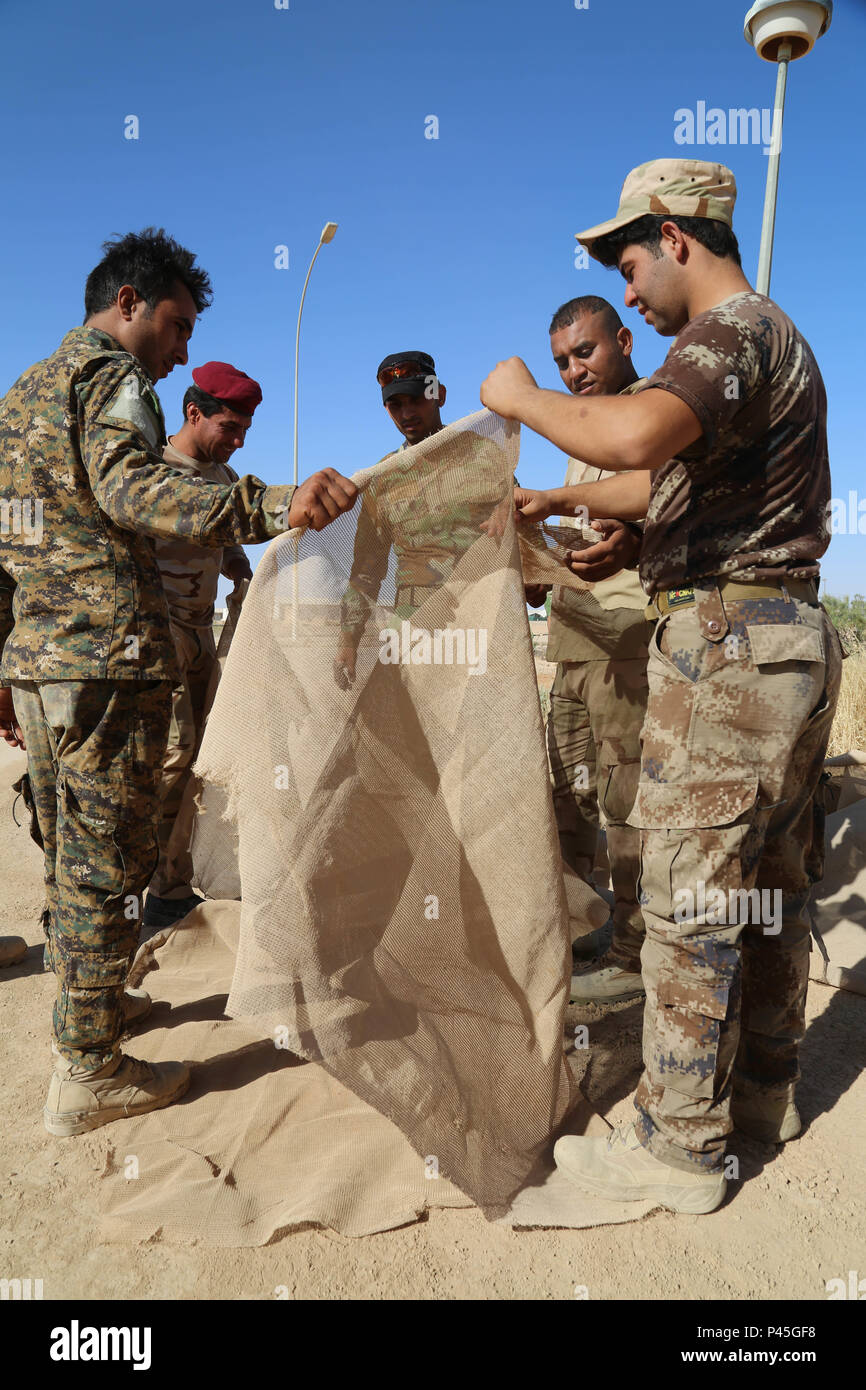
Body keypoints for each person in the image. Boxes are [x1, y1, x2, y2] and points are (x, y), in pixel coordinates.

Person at [481, 158, 841, 1214]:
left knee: (688, 894)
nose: (628, 291)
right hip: (785, 635)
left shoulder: (722, 332)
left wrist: (518, 398)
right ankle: (761, 1093)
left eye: (629, 265)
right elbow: (657, 476)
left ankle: (675, 1146)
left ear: (676, 238)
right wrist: (579, 503)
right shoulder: (768, 337)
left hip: (729, 647)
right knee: (768, 884)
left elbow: (635, 434)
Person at [0, 228, 357, 1136]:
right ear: (129, 303)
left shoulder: (25, 393)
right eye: (176, 323)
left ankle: (96, 1015)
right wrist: (270, 504)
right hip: (107, 659)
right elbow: (135, 492)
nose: (182, 349)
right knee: (104, 860)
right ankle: (88, 1071)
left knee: (72, 851)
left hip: (45, 657)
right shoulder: (112, 379)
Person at [531, 296, 655, 1004]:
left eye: (585, 352)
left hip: (626, 650)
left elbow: (651, 516)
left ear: (623, 340)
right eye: (561, 362)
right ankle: (587, 926)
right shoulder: (581, 435)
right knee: (568, 799)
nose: (575, 370)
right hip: (573, 644)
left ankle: (635, 952)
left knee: (625, 800)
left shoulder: (646, 417)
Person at [142, 361, 261, 933]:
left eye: (243, 431)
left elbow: (230, 545)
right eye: (229, 427)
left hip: (200, 638)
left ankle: (168, 887)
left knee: (194, 765)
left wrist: (240, 566)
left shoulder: (222, 478)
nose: (236, 441)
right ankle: (125, 890)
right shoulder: (148, 472)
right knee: (165, 760)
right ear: (194, 413)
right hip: (155, 639)